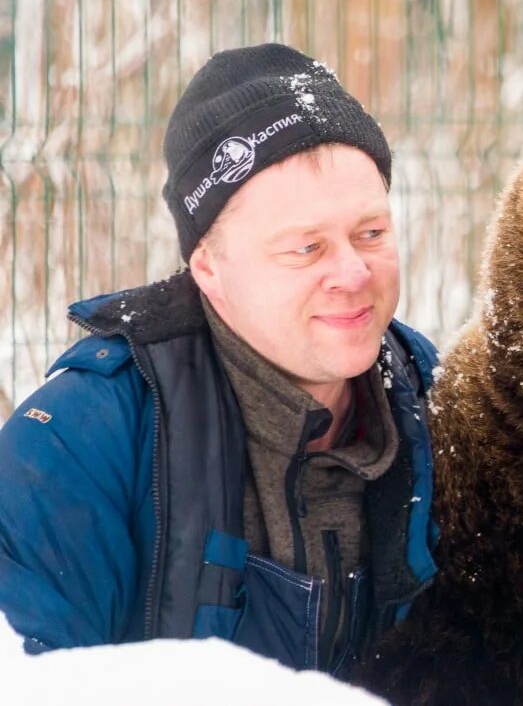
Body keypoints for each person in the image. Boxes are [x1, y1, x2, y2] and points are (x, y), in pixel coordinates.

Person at [0, 44, 440, 678]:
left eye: (371, 233)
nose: (353, 272)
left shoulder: (435, 407)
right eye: (306, 247)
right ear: (208, 266)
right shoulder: (84, 440)